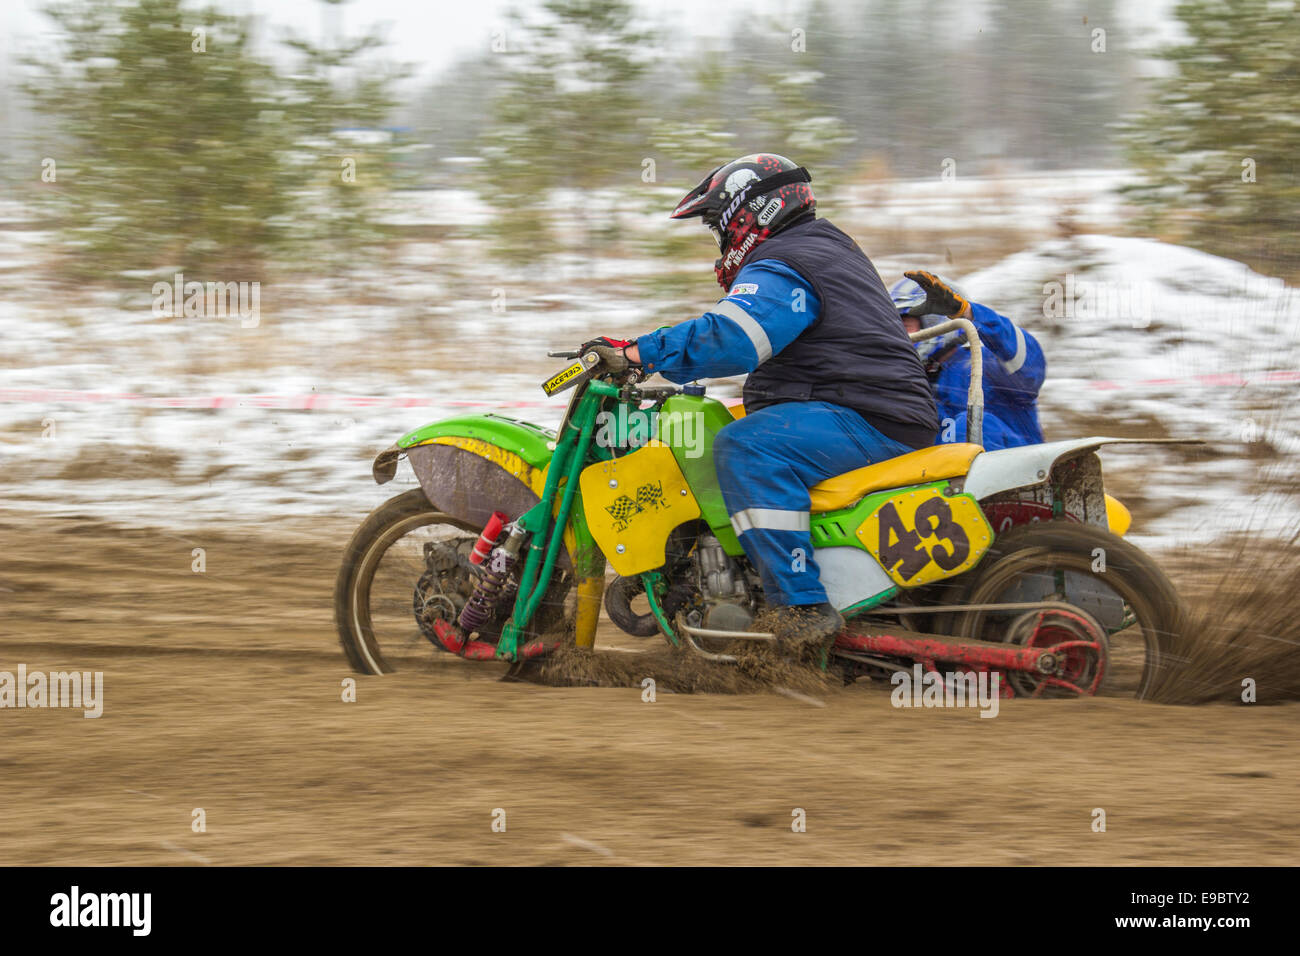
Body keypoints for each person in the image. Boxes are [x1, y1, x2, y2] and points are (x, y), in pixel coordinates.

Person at [583, 153, 938, 657]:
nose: (719, 239)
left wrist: (639, 352)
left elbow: (734, 338)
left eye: (717, 225)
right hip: (860, 407)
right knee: (717, 433)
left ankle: (801, 606)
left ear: (748, 213)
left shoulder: (790, 261)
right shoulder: (819, 245)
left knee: (747, 447)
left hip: (870, 417)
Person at [887, 272, 1045, 450]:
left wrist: (968, 313)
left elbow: (1029, 365)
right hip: (944, 466)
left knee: (968, 425)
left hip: (1019, 463)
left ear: (933, 321)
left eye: (905, 326)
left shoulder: (984, 365)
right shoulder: (907, 385)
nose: (897, 336)